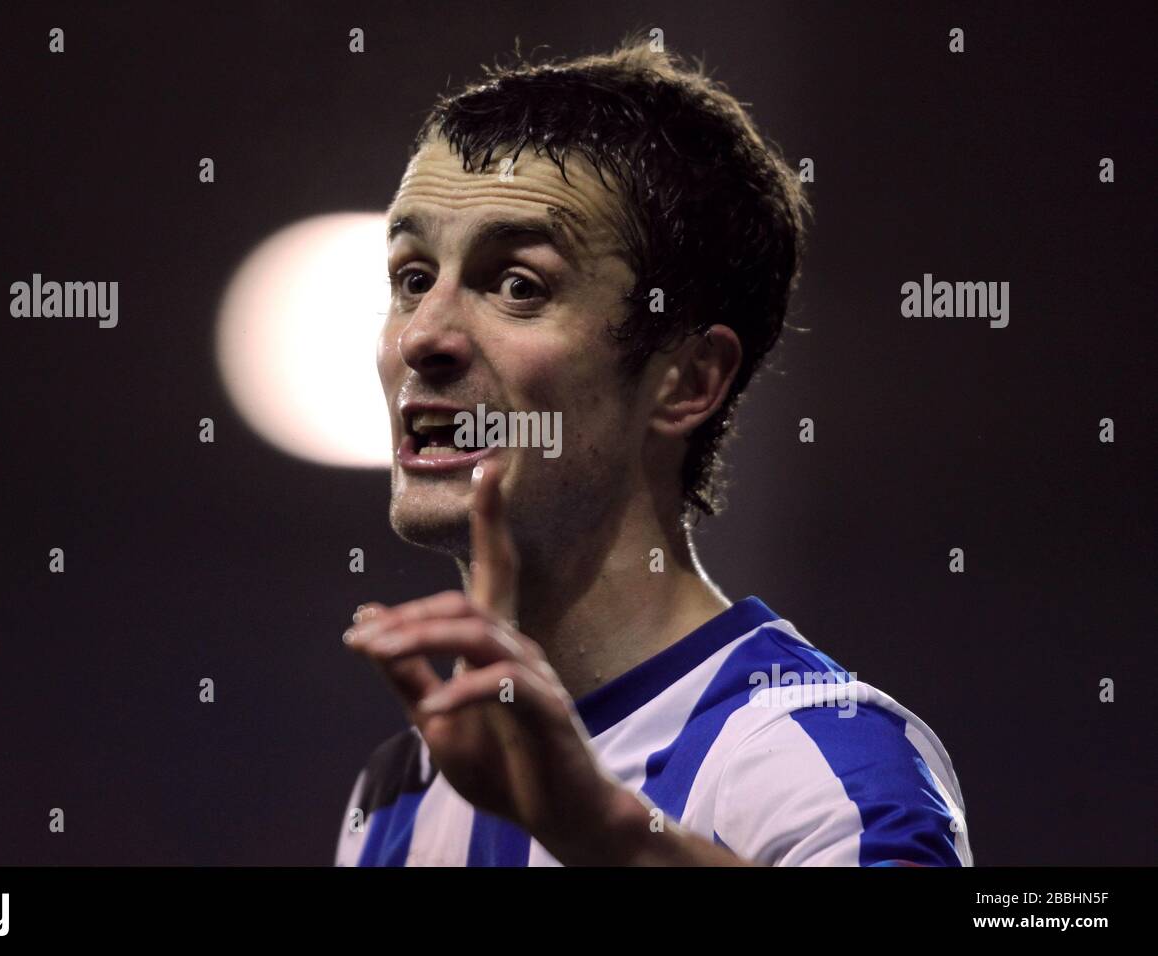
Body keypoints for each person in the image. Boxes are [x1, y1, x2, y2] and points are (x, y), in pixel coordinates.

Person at [335, 37, 972, 866]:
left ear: (688, 380)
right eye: (414, 277)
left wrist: (603, 833)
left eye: (519, 284)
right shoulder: (398, 794)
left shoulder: (824, 760)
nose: (422, 336)